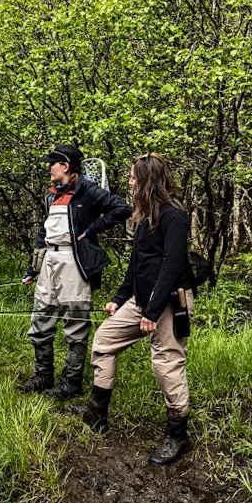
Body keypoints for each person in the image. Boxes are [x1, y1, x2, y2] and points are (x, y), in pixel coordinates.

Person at [81, 154, 195, 465]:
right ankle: (96, 412)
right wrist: (119, 299)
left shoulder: (175, 217)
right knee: (103, 342)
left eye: (133, 178)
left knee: (166, 363)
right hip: (142, 302)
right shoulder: (144, 217)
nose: (129, 182)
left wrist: (153, 313)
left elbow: (171, 267)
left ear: (146, 180)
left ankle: (177, 435)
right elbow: (137, 265)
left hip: (171, 301)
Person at [21, 144, 131, 399]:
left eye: (53, 163)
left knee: (76, 325)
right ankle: (42, 375)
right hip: (49, 260)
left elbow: (122, 208)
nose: (49, 167)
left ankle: (71, 384)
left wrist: (93, 230)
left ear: (66, 167)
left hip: (75, 262)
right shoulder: (50, 195)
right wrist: (33, 269)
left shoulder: (88, 191)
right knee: (40, 320)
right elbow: (44, 233)